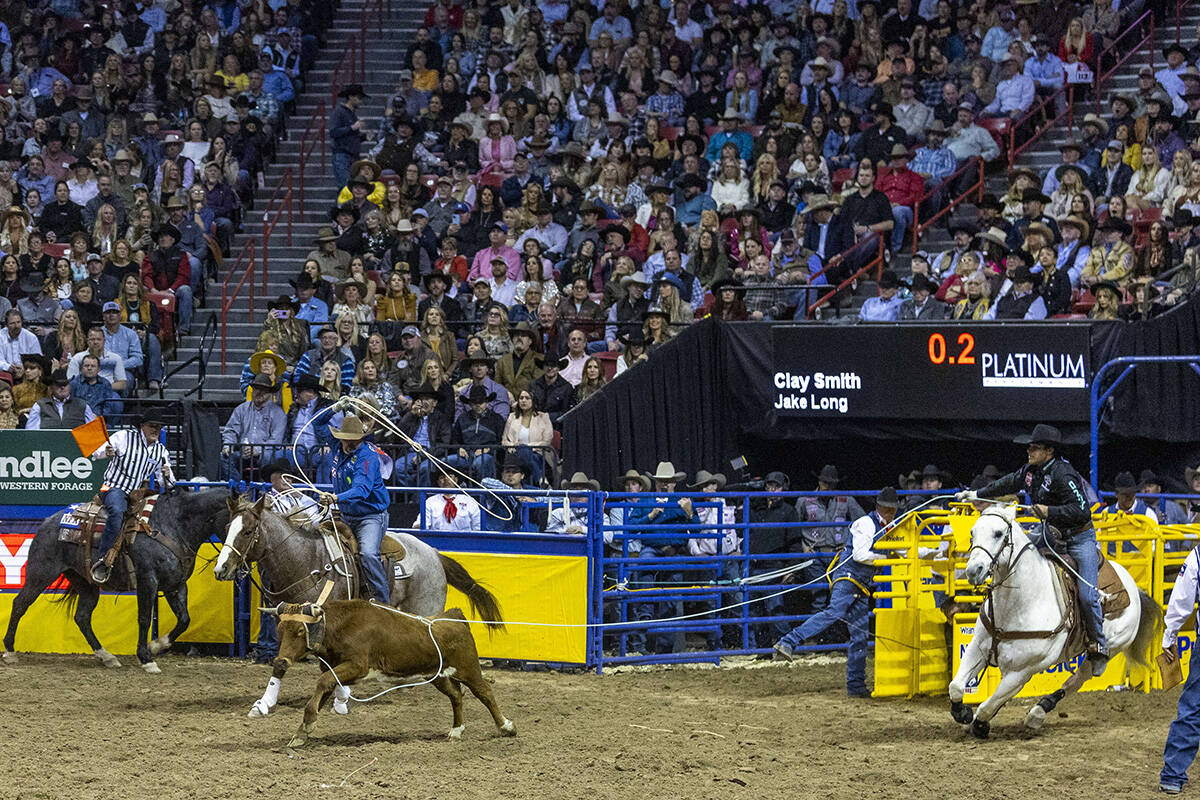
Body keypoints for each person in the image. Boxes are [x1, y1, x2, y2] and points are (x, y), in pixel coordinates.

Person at [961, 423, 1109, 675]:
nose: (1029, 450)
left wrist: (1049, 511)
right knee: (1018, 557)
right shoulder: (1031, 471)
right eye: (1029, 447)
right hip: (1050, 531)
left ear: (1049, 451)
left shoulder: (1064, 474)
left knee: (1086, 594)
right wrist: (977, 493)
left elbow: (1082, 510)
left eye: (1034, 447)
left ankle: (1098, 643)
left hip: (1078, 538)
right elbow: (1007, 482)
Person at [772, 486, 900, 698]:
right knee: (834, 612)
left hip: (860, 584)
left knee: (859, 636)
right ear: (879, 507)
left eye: (893, 510)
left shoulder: (891, 528)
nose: (890, 513)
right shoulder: (865, 523)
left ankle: (856, 686)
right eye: (887, 509)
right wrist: (889, 559)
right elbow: (860, 555)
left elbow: (906, 549)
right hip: (848, 578)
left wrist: (932, 553)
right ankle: (788, 641)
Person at [89, 411, 176, 583]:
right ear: (141, 426)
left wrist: (168, 476)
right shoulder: (123, 437)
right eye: (152, 426)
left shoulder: (161, 451)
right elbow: (96, 453)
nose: (155, 430)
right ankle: (103, 559)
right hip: (113, 487)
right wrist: (106, 452)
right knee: (117, 512)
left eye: (158, 427)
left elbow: (168, 484)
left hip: (136, 494)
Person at [318, 414, 391, 602]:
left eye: (355, 440)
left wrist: (335, 497)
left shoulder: (367, 457)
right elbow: (318, 422)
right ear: (341, 438)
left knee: (368, 553)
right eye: (348, 439)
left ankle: (383, 601)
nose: (351, 444)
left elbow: (362, 490)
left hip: (370, 516)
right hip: (346, 514)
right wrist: (334, 408)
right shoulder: (337, 447)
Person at [1161, 541, 1200, 794]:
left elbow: (1182, 597)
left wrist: (1170, 635)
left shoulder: (1198, 555)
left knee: (1193, 707)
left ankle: (1173, 775)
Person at [221, 374, 287, 479]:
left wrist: (257, 450)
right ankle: (239, 491)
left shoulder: (278, 413)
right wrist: (228, 445)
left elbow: (276, 440)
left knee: (268, 456)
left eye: (264, 390)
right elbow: (231, 430)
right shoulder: (241, 409)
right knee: (225, 457)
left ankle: (263, 489)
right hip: (243, 451)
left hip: (265, 452)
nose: (259, 392)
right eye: (257, 389)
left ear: (270, 393)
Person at [24, 369, 96, 429]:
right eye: (58, 384)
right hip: (47, 445)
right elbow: (31, 433)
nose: (62, 387)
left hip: (75, 445)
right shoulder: (40, 406)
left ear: (69, 385)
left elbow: (95, 432)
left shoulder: (82, 405)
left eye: (65, 384)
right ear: (52, 386)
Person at [416, 469, 482, 532]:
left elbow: (478, 527)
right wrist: (418, 526)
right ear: (438, 482)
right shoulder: (430, 502)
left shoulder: (469, 501)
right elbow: (420, 525)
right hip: (437, 541)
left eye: (450, 476)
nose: (446, 479)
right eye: (442, 477)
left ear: (456, 480)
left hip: (465, 541)